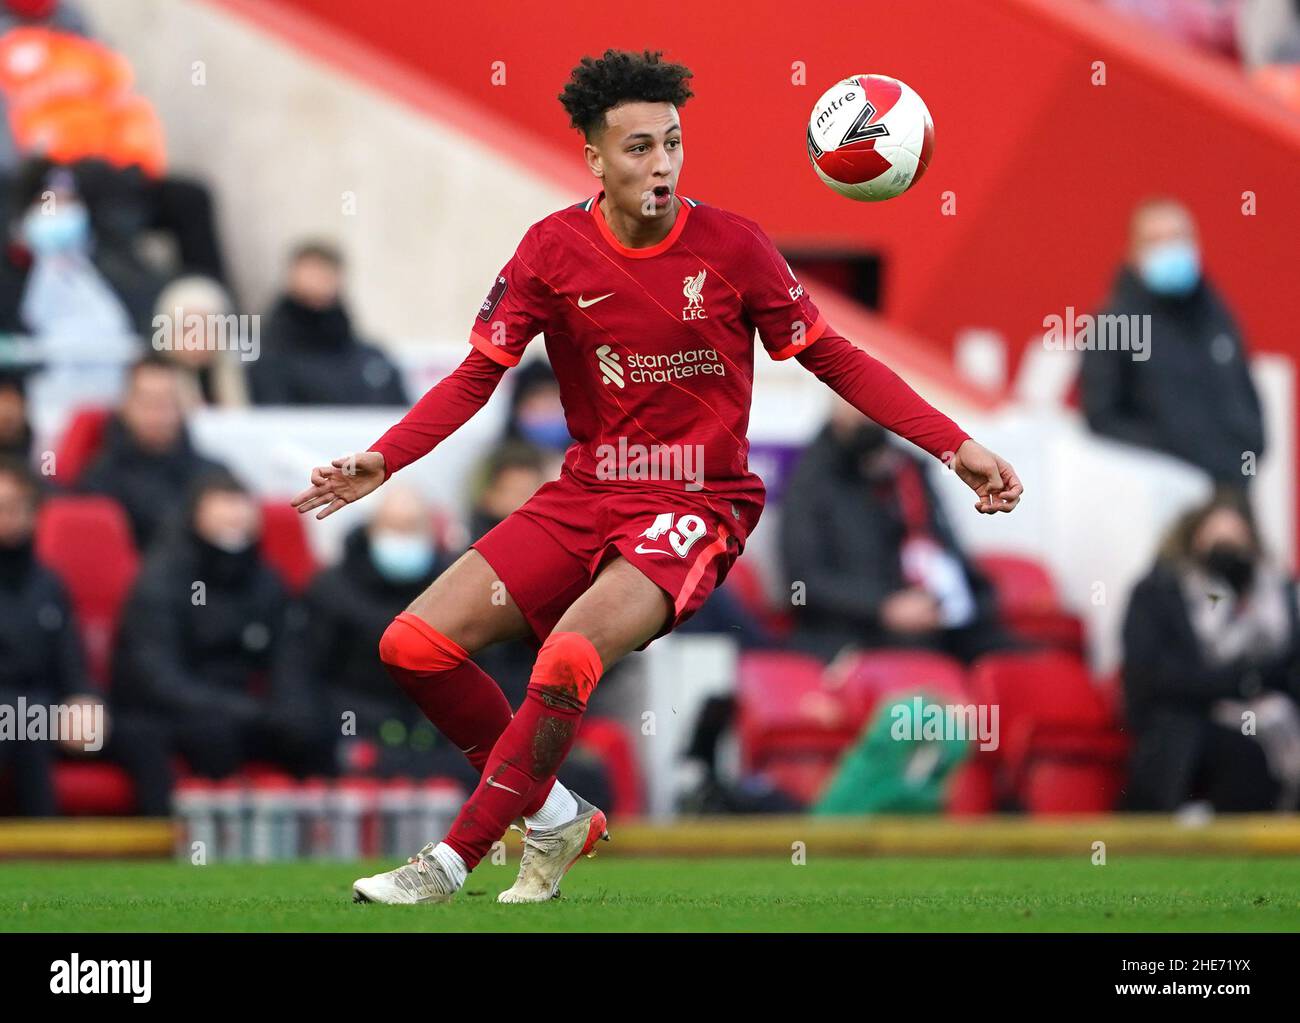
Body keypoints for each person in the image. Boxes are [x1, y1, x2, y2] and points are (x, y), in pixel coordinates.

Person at [292, 49, 1022, 906]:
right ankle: (558, 812)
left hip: (695, 501)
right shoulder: (550, 250)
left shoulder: (736, 247)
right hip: (584, 492)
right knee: (412, 645)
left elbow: (839, 360)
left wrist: (952, 443)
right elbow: (474, 377)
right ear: (595, 160)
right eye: (639, 148)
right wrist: (388, 456)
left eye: (673, 143)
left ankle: (451, 861)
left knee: (567, 654)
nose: (663, 165)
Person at [113, 471, 333, 781]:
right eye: (223, 516)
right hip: (173, 713)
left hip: (246, 708)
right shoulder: (162, 581)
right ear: (196, 518)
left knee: (311, 728)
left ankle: (320, 824)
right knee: (215, 734)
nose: (235, 524)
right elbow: (158, 679)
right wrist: (244, 710)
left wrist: (292, 710)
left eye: (241, 516)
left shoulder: (266, 581)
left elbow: (289, 657)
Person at [0, 456, 171, 815]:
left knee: (143, 737)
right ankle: (43, 855)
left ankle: (161, 859)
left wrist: (84, 699)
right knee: (25, 726)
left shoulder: (48, 583)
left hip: (49, 711)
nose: (8, 516)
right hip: (17, 715)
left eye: (16, 506)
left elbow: (70, 661)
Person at [781, 398, 1007, 664]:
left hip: (938, 620)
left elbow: (945, 548)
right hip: (851, 632)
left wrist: (963, 601)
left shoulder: (908, 470)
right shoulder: (810, 481)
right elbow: (802, 585)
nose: (864, 411)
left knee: (1015, 658)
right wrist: (883, 607)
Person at [1121, 492, 1300, 812]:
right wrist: (1241, 682)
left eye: (1237, 542)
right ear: (1192, 541)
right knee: (1244, 755)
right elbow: (1151, 679)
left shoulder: (1276, 594)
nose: (1229, 552)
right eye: (1218, 542)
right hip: (1185, 726)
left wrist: (1259, 683)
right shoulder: (1160, 592)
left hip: (1274, 717)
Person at [1080, 197, 1265, 488]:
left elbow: (1247, 405)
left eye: (1177, 238)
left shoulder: (1217, 316)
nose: (1169, 249)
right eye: (1155, 241)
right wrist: (1182, 456)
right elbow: (1101, 419)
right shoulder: (1114, 324)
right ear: (1133, 253)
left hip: (1230, 494)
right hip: (1157, 498)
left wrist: (1237, 458)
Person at [78, 354, 228, 551]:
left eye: (168, 402)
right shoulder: (99, 481)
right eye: (147, 402)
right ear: (125, 406)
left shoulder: (214, 476)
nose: (158, 414)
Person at [249, 241, 407, 407]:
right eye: (311, 273)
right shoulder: (269, 362)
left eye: (325, 274)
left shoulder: (372, 361)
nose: (318, 282)